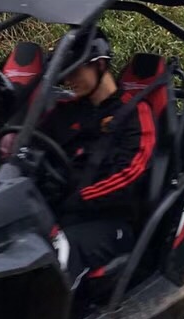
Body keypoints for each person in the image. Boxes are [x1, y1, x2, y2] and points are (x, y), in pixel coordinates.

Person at [38, 29, 157, 289]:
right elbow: (33, 143)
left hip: (109, 221)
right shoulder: (65, 110)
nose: (69, 80)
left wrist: (77, 198)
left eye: (75, 71)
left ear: (100, 65)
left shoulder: (135, 113)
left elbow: (131, 174)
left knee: (56, 253)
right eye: (66, 72)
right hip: (58, 210)